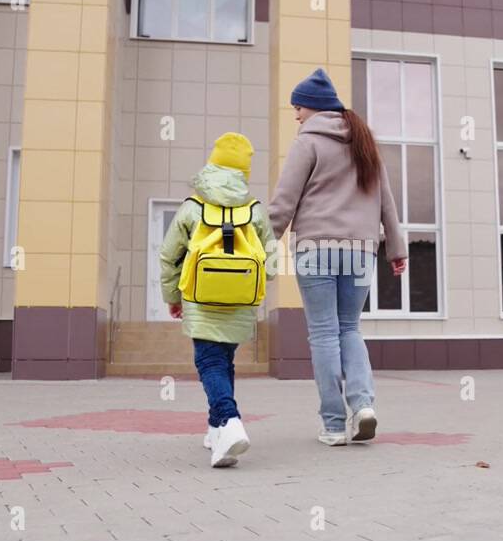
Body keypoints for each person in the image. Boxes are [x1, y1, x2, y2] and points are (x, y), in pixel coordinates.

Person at [268, 68, 408, 446]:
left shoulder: (307, 143)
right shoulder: (364, 142)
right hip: (361, 250)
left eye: (297, 108)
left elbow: (283, 203)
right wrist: (396, 248)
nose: (295, 115)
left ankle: (333, 424)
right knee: (349, 329)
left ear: (312, 107)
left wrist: (263, 247)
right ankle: (363, 406)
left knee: (325, 334)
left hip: (316, 248)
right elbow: (386, 201)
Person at [160, 133, 276, 467]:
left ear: (212, 164)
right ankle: (215, 430)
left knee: (209, 362)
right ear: (244, 172)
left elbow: (168, 258)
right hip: (241, 301)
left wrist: (172, 296)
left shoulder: (192, 207)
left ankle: (229, 421)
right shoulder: (255, 210)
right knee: (223, 361)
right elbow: (272, 264)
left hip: (200, 299)